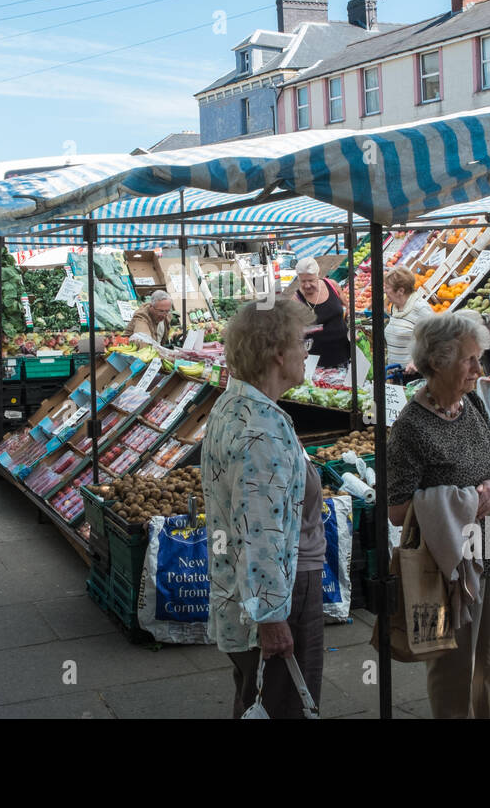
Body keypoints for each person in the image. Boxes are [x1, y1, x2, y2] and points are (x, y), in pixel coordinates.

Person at [386, 312, 490, 719]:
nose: (480, 369)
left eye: (480, 359)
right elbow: (396, 510)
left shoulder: (471, 402)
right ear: (438, 362)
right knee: (454, 670)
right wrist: (458, 501)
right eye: (470, 360)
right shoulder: (410, 426)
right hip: (448, 567)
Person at [203, 298, 323, 718]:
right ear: (278, 352)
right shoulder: (261, 430)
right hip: (275, 598)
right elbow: (259, 530)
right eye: (302, 344)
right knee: (281, 706)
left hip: (240, 593)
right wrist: (272, 619)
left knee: (255, 702)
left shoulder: (232, 404)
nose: (306, 354)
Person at [292, 258, 350, 368]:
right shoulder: (296, 299)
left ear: (317, 275)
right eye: (303, 281)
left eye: (311, 280)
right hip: (316, 362)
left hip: (343, 353)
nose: (307, 285)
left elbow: (347, 307)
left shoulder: (332, 285)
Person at [382, 266, 430, 373]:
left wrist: (416, 361)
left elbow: (437, 340)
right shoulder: (396, 308)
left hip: (414, 376)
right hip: (395, 374)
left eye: (387, 287)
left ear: (401, 291)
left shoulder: (420, 308)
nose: (384, 290)